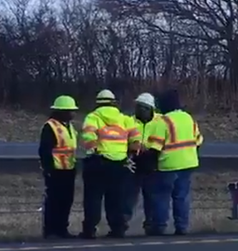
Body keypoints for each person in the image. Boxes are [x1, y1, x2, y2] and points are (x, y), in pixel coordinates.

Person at [79, 89, 140, 239]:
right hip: (120, 164)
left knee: (93, 198)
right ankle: (117, 229)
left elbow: (88, 136)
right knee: (116, 199)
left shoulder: (93, 117)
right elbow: (136, 138)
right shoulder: (125, 119)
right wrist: (131, 153)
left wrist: (92, 151)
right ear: (114, 102)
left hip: (99, 162)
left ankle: (90, 230)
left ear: (98, 103)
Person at [144, 88, 202, 235]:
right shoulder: (188, 118)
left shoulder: (163, 121)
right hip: (188, 164)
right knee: (181, 197)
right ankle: (182, 227)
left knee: (161, 197)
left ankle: (159, 227)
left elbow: (154, 148)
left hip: (168, 165)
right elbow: (199, 140)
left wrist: (149, 164)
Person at [39, 95, 80, 239]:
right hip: (55, 171)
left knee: (66, 201)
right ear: (62, 111)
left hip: (68, 169)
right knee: (54, 202)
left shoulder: (69, 126)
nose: (73, 113)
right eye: (70, 111)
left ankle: (62, 229)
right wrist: (48, 169)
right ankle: (51, 230)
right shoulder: (50, 126)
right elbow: (45, 150)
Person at [128, 92, 160, 232]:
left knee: (152, 198)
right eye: (138, 107)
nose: (139, 110)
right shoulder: (129, 121)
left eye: (143, 107)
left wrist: (150, 149)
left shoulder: (160, 121)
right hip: (133, 164)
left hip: (153, 163)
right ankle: (121, 225)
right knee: (129, 197)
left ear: (150, 109)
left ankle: (151, 225)